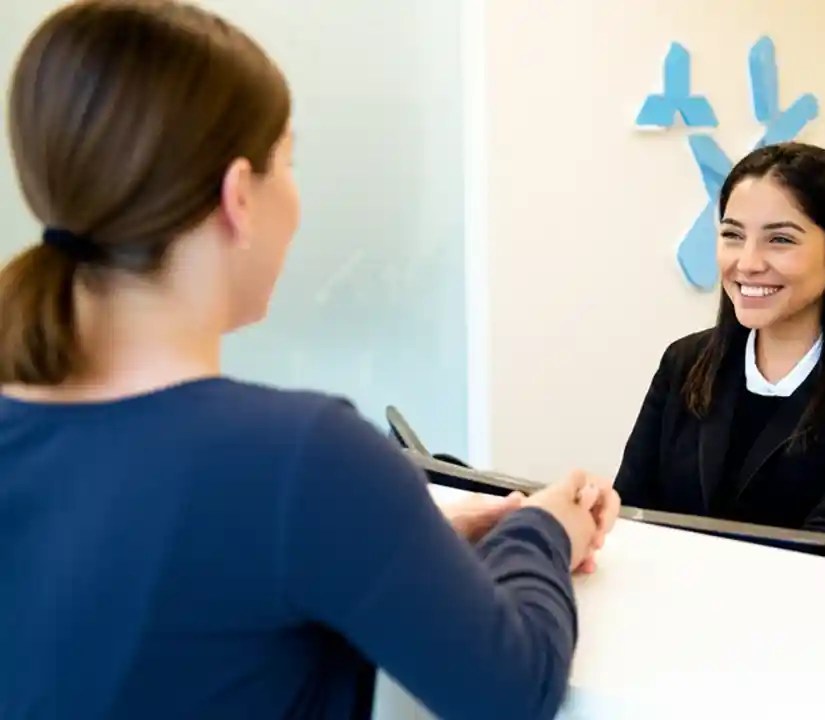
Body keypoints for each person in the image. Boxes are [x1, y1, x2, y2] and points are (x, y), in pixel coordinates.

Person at [0, 2, 619, 719]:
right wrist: (541, 532)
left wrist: (397, 549)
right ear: (239, 196)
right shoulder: (301, 458)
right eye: (288, 162)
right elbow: (509, 692)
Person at [614, 142, 825, 569]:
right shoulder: (685, 364)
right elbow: (632, 516)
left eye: (780, 240)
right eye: (732, 235)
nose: (747, 263)